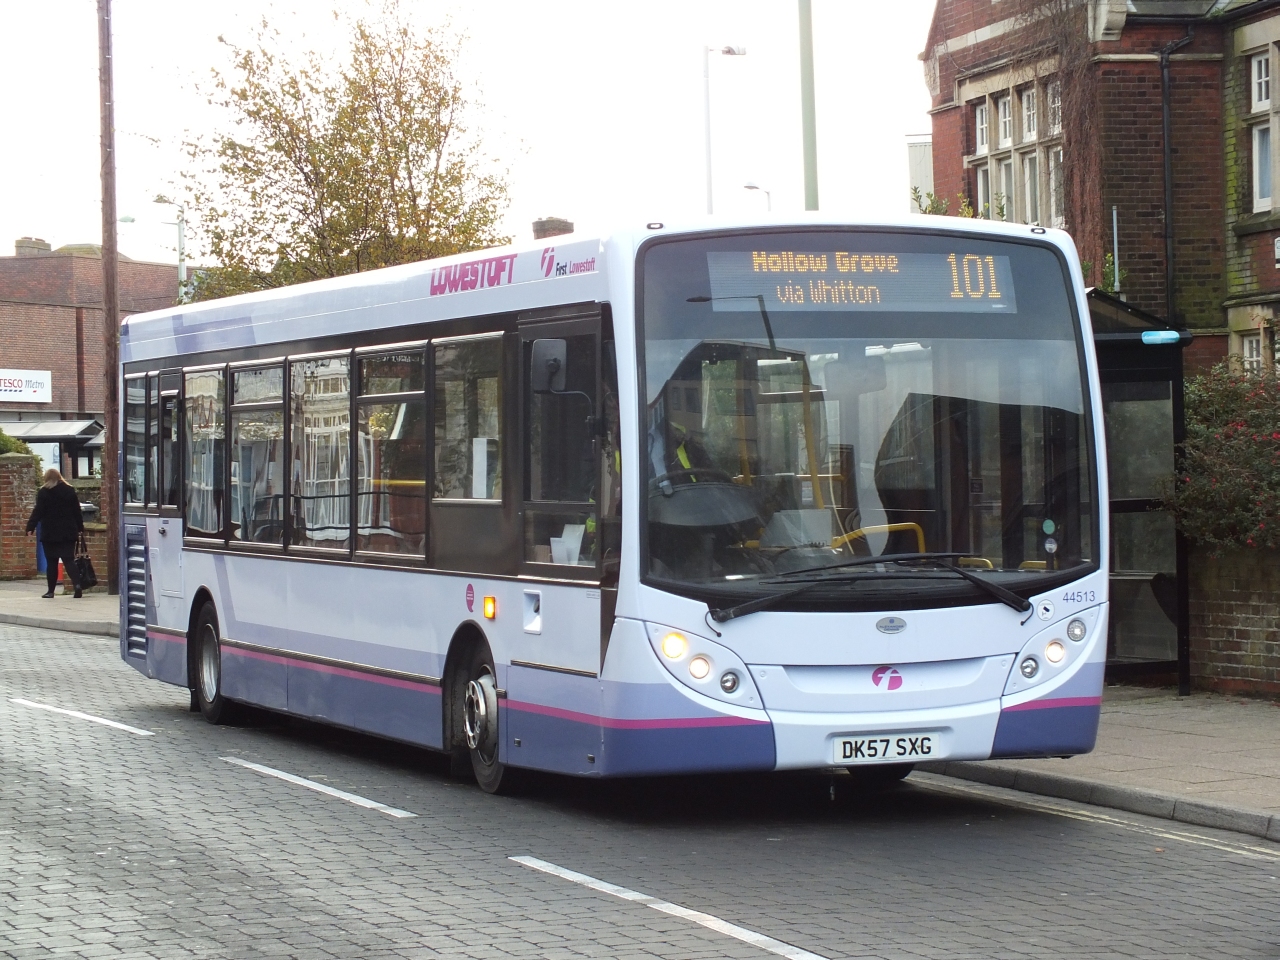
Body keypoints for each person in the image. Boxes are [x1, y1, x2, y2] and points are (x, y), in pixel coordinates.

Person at [26, 468, 84, 599]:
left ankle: (50, 591)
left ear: (46, 478)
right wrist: (80, 528)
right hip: (68, 531)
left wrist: (31, 526)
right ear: (59, 477)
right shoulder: (69, 490)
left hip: (50, 532)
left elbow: (38, 511)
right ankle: (78, 586)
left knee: (51, 562)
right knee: (69, 560)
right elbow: (77, 511)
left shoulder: (44, 492)